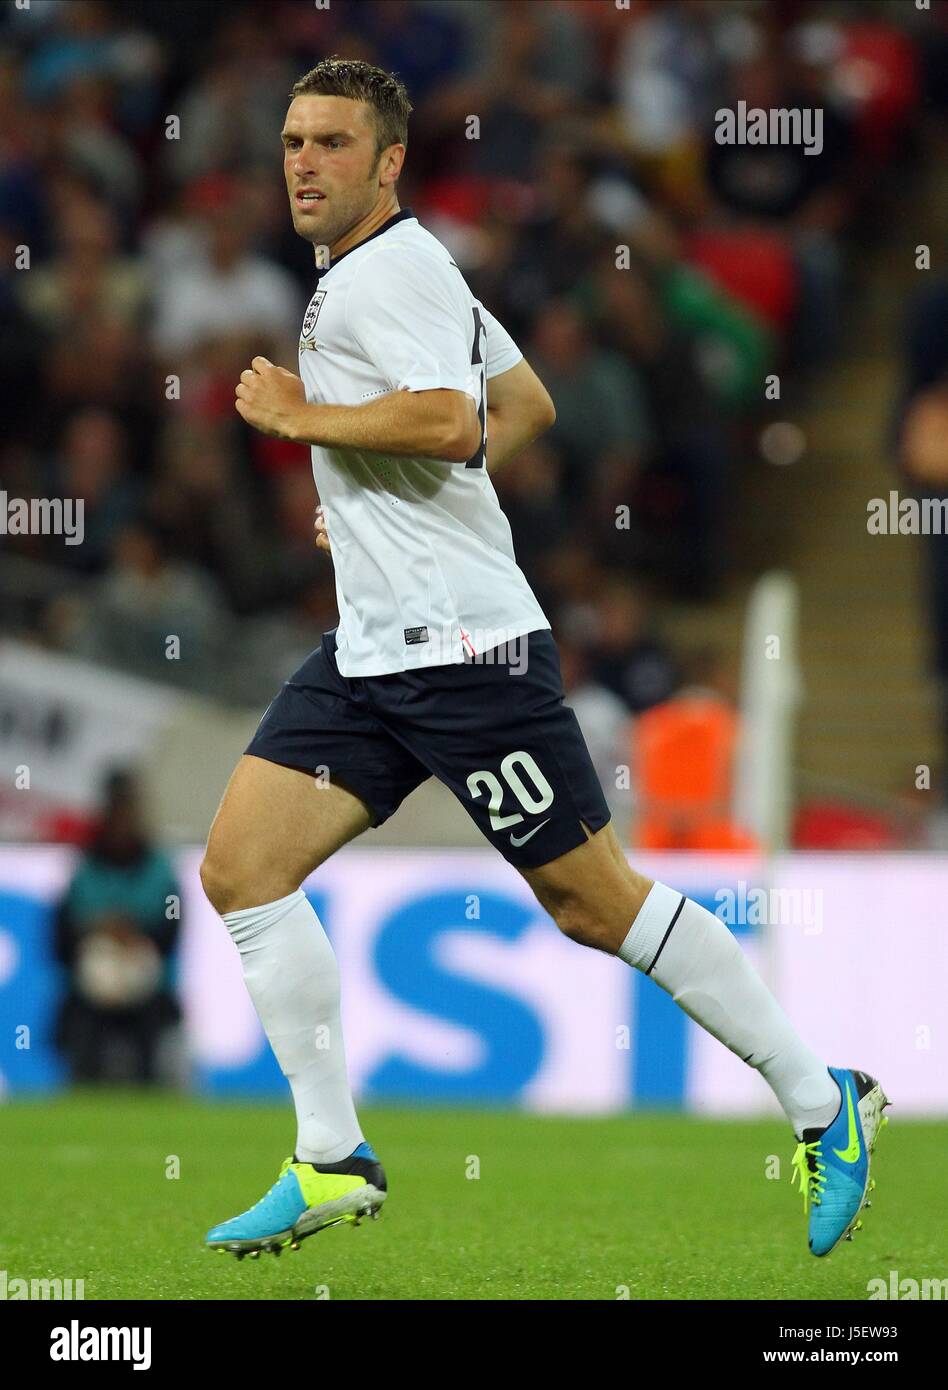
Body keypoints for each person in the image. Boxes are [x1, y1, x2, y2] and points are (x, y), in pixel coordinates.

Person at [199, 58, 887, 1262]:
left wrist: (304, 421)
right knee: (240, 870)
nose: (303, 162)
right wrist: (368, 500)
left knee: (594, 902)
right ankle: (329, 1158)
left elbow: (458, 422)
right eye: (294, 140)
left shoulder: (385, 277)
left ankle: (827, 1104)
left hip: (465, 656)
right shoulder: (398, 271)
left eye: (332, 144)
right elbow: (523, 403)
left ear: (390, 160)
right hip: (373, 650)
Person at [53, 770, 182, 1085]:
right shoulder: (84, 870)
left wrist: (136, 935)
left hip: (148, 988)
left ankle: (151, 1088)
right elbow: (59, 940)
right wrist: (94, 933)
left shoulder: (159, 869)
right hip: (89, 990)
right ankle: (82, 1086)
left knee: (154, 1027)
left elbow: (172, 933)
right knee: (79, 1022)